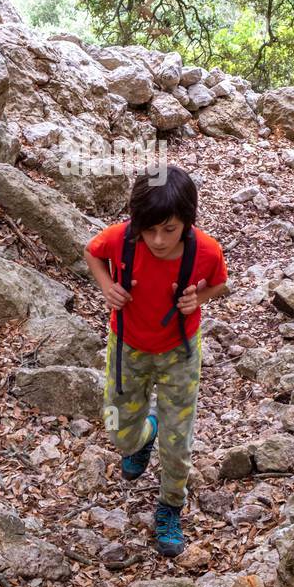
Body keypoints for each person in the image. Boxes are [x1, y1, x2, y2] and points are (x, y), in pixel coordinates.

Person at [83, 165, 228, 557]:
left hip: (180, 350)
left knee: (178, 439)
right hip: (127, 346)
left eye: (169, 229)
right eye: (149, 230)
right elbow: (92, 253)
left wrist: (199, 299)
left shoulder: (206, 250)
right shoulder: (122, 239)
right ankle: (144, 434)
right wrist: (107, 286)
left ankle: (170, 506)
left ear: (187, 222)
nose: (158, 240)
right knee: (118, 433)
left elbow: (220, 282)